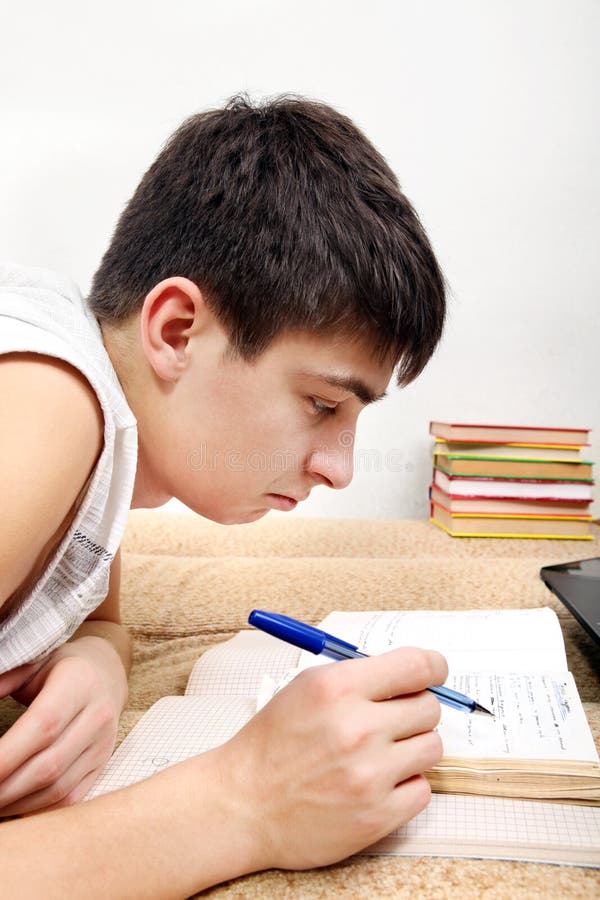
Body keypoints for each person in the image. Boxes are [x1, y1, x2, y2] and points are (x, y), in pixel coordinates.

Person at [0, 94, 448, 895]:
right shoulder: (49, 409)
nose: (339, 469)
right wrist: (246, 803)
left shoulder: (95, 421)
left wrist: (97, 658)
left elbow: (100, 606)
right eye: (321, 404)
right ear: (176, 330)